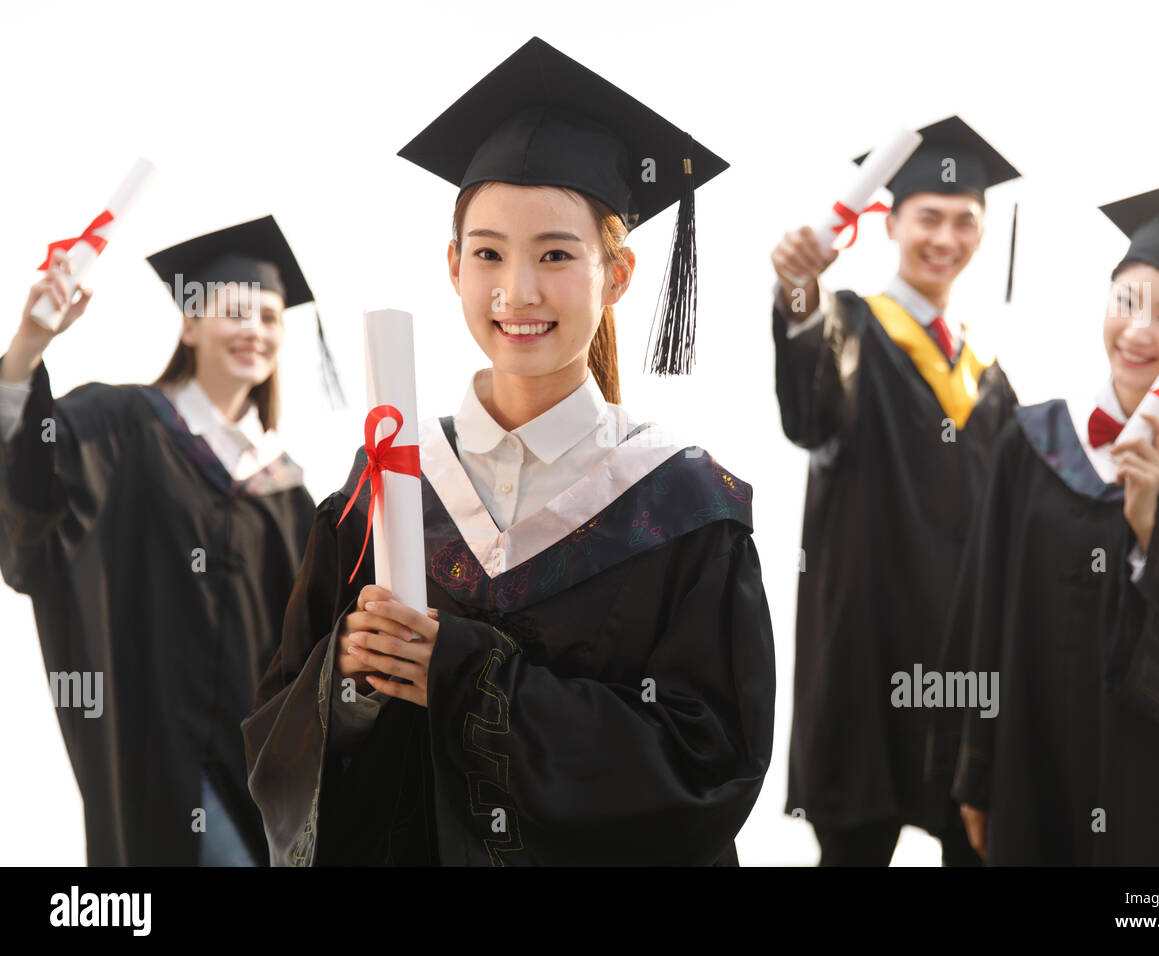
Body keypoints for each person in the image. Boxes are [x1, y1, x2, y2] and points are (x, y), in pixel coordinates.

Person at [243, 36, 777, 867]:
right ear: (453, 268)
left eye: (557, 255)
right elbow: (279, 720)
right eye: (488, 252)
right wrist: (346, 680)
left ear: (620, 274)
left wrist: (463, 679)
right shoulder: (389, 482)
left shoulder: (683, 507)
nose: (517, 291)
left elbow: (709, 770)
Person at [938, 176, 1159, 865]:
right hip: (1029, 778)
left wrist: (1151, 528)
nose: (1137, 330)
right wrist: (975, 777)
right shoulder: (1032, 441)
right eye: (1126, 300)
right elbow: (981, 619)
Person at [0, 215, 337, 865]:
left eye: (269, 318)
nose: (253, 330)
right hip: (150, 752)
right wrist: (28, 346)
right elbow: (25, 491)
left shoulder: (286, 492)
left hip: (258, 768)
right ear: (189, 325)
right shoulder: (117, 427)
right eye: (233, 311)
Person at [771, 116, 1021, 865]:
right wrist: (797, 291)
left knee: (978, 844)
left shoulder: (989, 374)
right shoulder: (847, 326)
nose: (946, 237)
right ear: (890, 221)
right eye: (929, 217)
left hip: (964, 663)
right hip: (867, 651)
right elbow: (808, 416)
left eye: (964, 221)